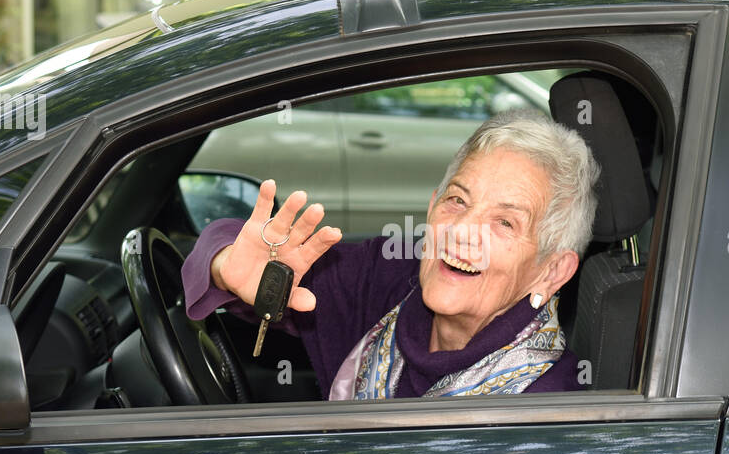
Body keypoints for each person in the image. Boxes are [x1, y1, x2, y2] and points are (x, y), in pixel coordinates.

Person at [181, 109, 599, 400]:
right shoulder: (387, 280)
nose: (462, 233)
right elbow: (230, 249)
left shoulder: (550, 408)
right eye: (457, 201)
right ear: (433, 205)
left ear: (552, 271)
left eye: (505, 223)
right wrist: (228, 268)